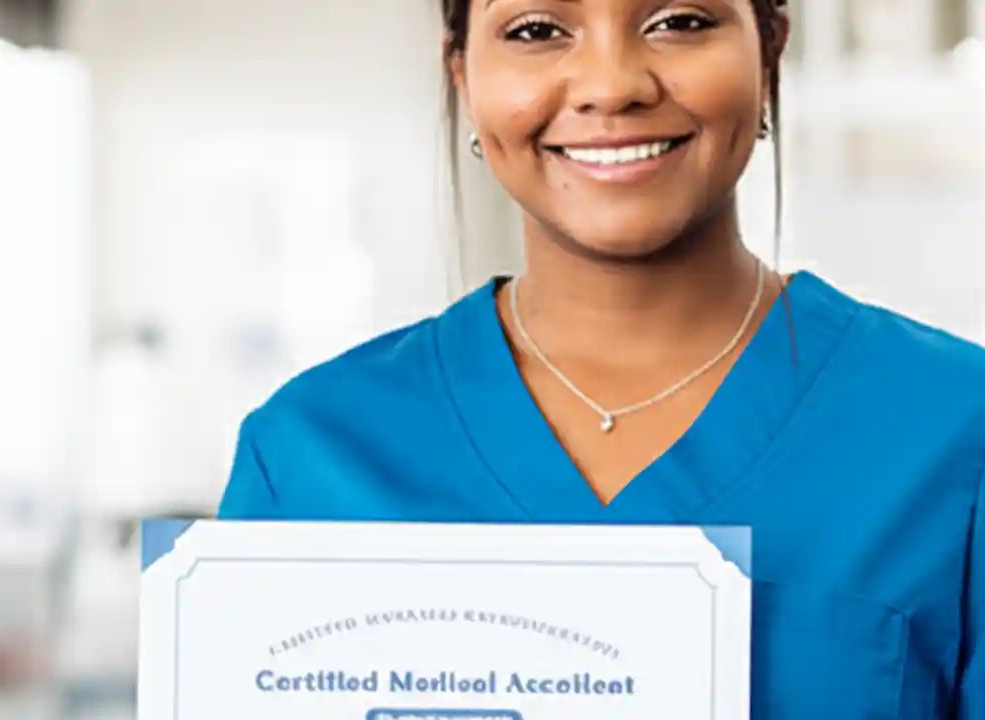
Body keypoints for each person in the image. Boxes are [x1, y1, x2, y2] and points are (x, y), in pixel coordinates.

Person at [216, 0, 985, 715]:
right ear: (463, 73)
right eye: (536, 30)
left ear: (770, 51)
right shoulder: (307, 454)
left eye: (679, 19)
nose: (612, 86)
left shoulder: (955, 429)